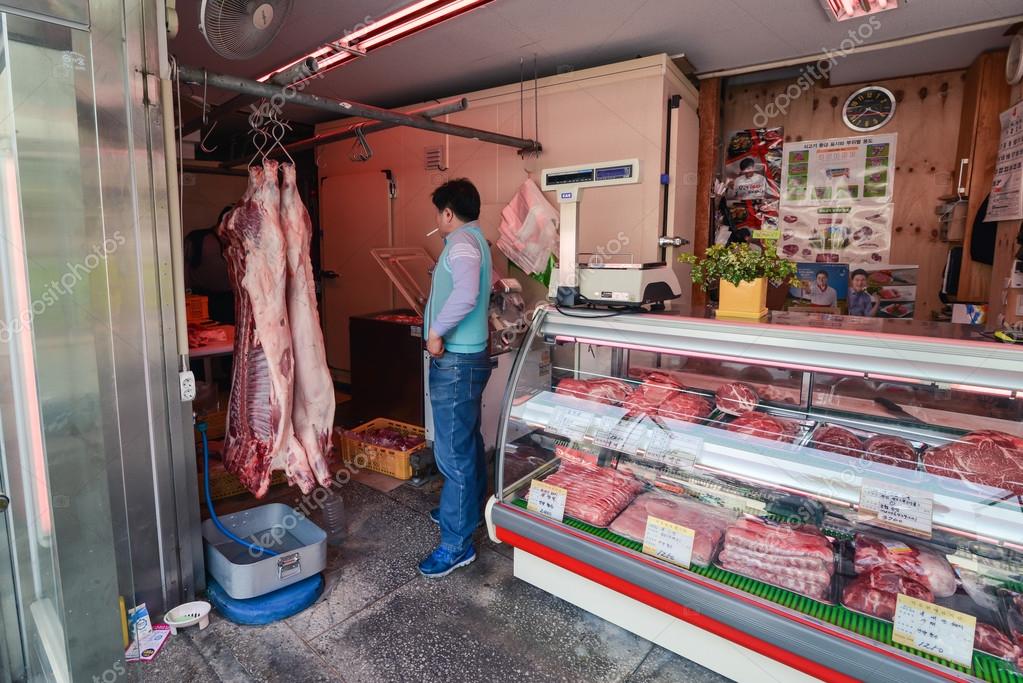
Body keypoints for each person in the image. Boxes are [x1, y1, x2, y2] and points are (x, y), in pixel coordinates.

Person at [419, 178, 493, 579]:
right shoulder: (477, 240)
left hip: (457, 361)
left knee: (453, 453)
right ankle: (468, 509)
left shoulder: (461, 243)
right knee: (466, 438)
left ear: (448, 212)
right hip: (470, 358)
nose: (438, 219)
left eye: (439, 212)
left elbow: (465, 295)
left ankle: (456, 544)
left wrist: (435, 333)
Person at [183, 206, 235, 323]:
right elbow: (182, 268)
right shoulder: (197, 239)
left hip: (229, 300)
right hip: (202, 301)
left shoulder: (237, 243)